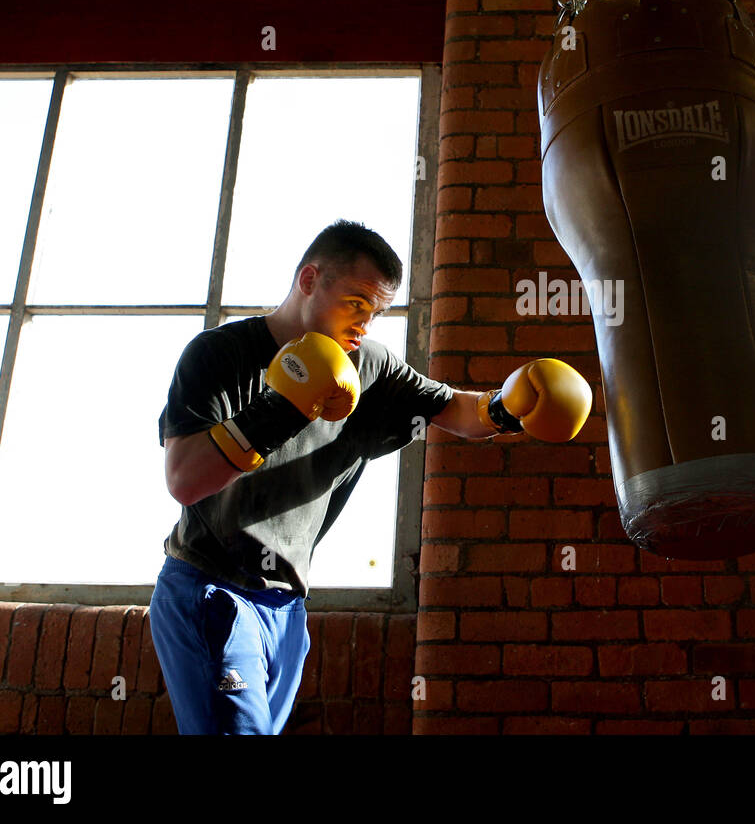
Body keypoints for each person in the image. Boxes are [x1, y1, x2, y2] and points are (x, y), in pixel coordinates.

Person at [149, 219, 592, 734]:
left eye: (376, 311)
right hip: (212, 586)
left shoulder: (370, 366)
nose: (365, 324)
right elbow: (184, 479)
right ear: (309, 279)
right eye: (356, 303)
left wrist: (510, 403)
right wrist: (284, 406)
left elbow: (457, 410)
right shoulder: (219, 355)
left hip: (287, 606)